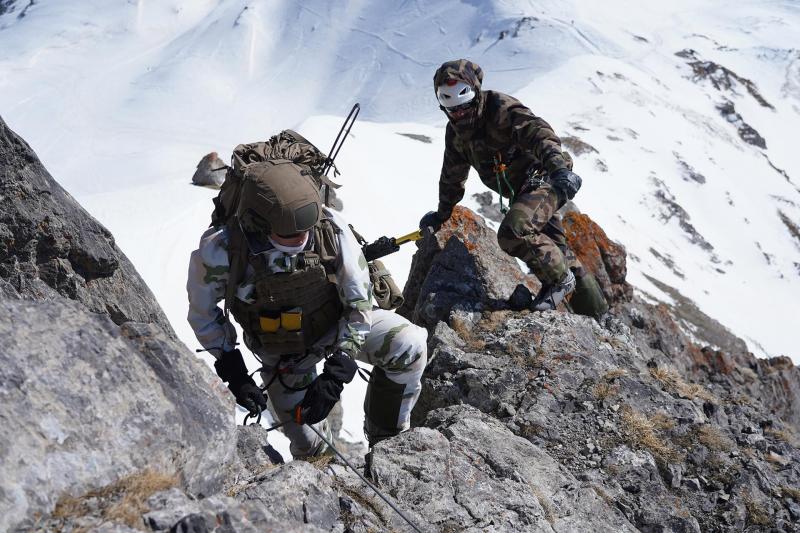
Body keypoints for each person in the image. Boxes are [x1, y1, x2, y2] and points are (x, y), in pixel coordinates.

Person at [187, 158, 427, 459]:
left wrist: (339, 367)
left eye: (306, 229)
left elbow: (360, 300)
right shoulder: (221, 251)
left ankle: (387, 444)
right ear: (260, 223)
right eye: (290, 233)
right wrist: (233, 371)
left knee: (409, 345)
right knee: (311, 447)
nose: (302, 238)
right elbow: (204, 314)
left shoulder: (329, 228)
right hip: (284, 354)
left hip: (335, 327)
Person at [420, 59, 608, 317]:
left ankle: (559, 282)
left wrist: (559, 170)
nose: (459, 115)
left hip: (546, 176)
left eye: (463, 108)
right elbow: (452, 176)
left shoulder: (500, 108)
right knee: (554, 249)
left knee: (515, 231)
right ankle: (598, 315)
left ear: (474, 95)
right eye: (453, 110)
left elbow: (539, 133)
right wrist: (442, 213)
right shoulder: (456, 135)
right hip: (522, 191)